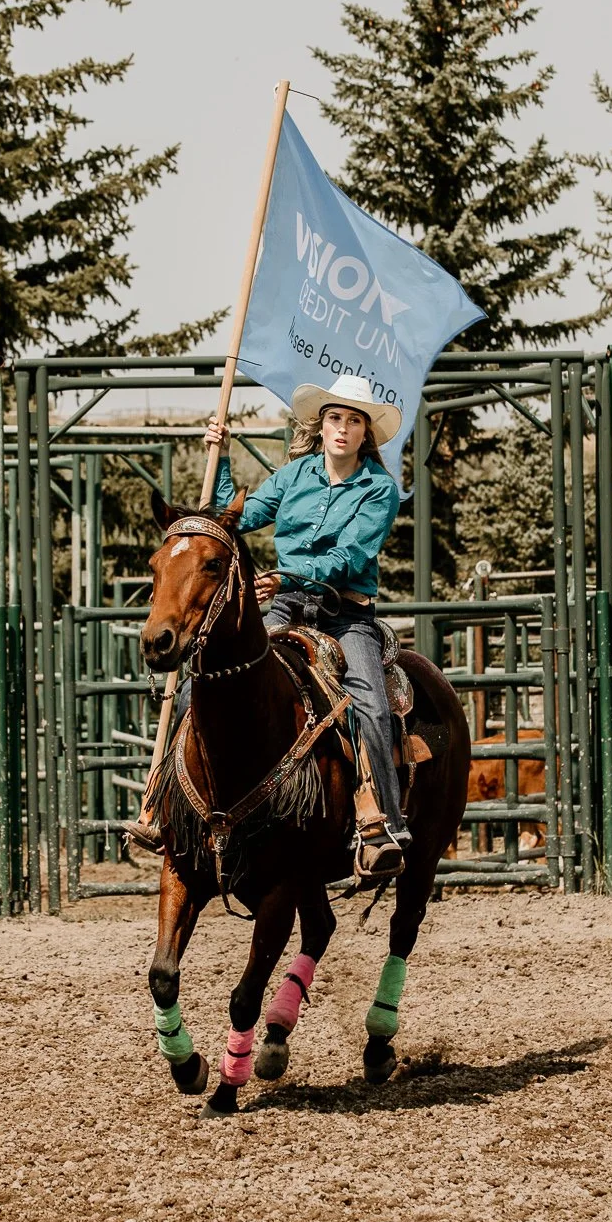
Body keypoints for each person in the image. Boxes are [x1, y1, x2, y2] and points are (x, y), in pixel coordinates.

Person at [127, 375, 406, 878]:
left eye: (354, 421)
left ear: (367, 433)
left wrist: (286, 575)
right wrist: (225, 454)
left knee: (369, 700)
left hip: (345, 614)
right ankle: (165, 804)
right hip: (284, 605)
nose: (342, 429)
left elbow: (352, 556)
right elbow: (241, 517)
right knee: (205, 684)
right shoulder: (294, 476)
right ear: (321, 426)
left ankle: (382, 823)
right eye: (335, 418)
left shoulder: (380, 490)